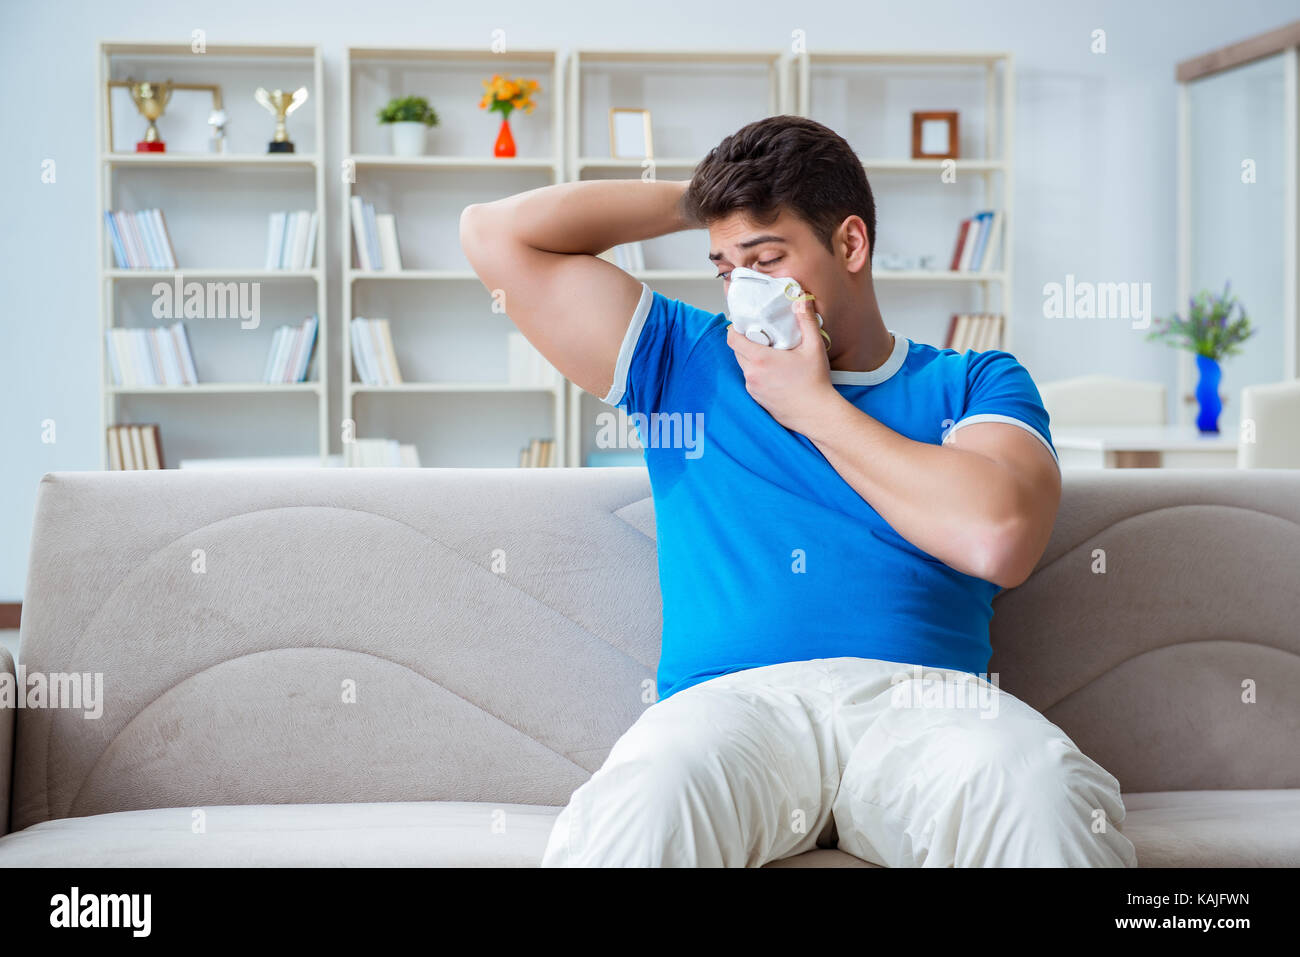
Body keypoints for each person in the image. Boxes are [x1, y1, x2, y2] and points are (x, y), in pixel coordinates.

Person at [459, 115, 1137, 868]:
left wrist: (813, 406)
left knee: (1035, 786)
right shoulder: (685, 359)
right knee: (650, 795)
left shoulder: (973, 381)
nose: (742, 292)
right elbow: (493, 235)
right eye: (725, 267)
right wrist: (703, 200)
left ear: (850, 244)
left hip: (925, 709)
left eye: (766, 257)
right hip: (731, 709)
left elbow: (998, 536)